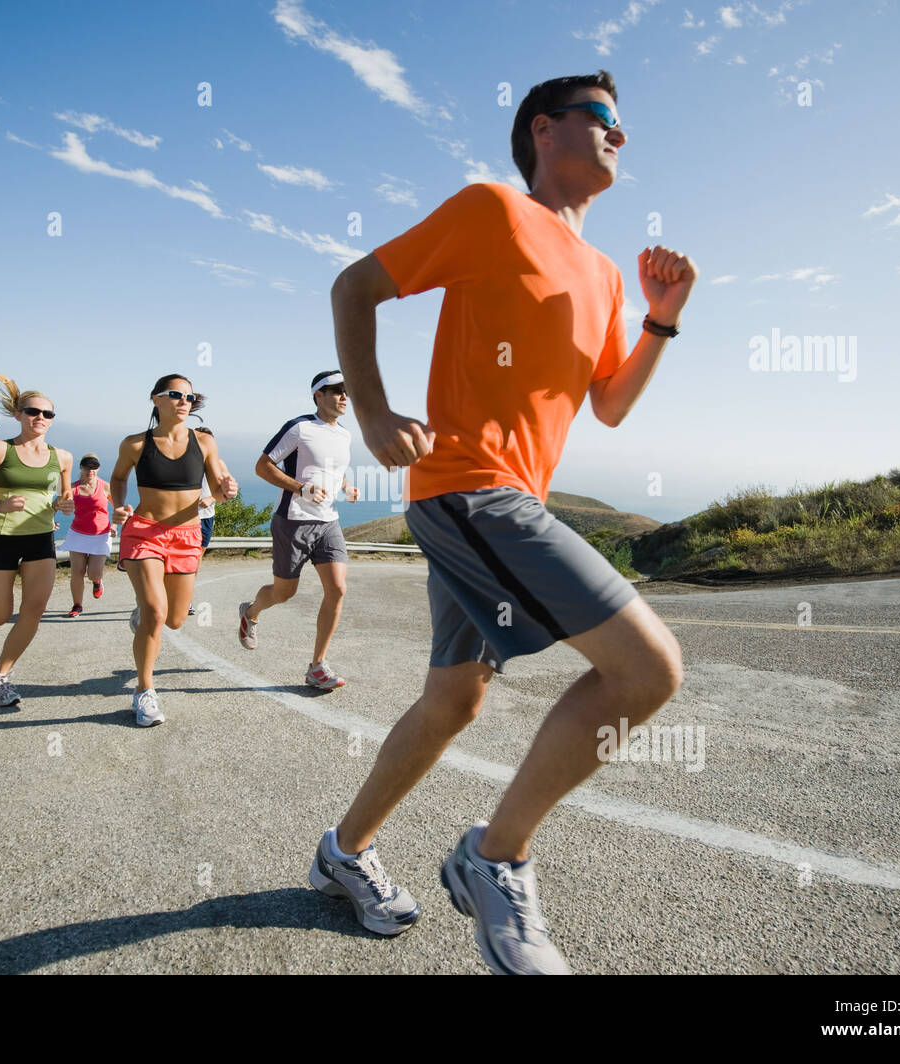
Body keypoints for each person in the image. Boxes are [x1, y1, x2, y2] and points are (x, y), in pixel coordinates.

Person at [309, 72, 695, 974]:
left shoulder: (602, 273)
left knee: (455, 697)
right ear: (544, 128)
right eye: (605, 119)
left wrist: (661, 324)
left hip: (509, 498)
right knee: (646, 670)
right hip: (470, 491)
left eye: (622, 125)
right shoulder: (493, 210)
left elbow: (608, 407)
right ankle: (495, 858)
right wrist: (369, 412)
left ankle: (344, 850)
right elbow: (354, 286)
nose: (620, 137)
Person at [109, 375, 237, 726]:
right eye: (175, 395)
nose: (184, 401)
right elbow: (118, 479)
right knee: (155, 611)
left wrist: (228, 489)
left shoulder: (205, 441)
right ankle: (144, 691)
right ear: (156, 400)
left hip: (186, 536)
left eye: (189, 396)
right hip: (144, 533)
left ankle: (145, 614)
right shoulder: (135, 444)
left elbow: (218, 490)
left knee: (176, 620)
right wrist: (118, 506)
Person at [238, 371, 359, 690]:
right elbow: (262, 467)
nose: (344, 396)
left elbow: (333, 470)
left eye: (347, 391)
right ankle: (251, 612)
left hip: (328, 522)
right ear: (318, 395)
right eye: (336, 391)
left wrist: (347, 486)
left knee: (338, 589)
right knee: (284, 593)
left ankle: (317, 666)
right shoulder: (299, 428)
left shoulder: (345, 435)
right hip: (292, 520)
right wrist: (299, 488)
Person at [0, 373, 73, 707]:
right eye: (32, 412)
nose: (40, 418)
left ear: (52, 420)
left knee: (33, 611)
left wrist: (63, 505)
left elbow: (63, 498)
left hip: (40, 539)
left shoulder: (62, 457)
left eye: (47, 414)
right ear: (18, 415)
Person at [63, 453, 113, 617]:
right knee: (77, 572)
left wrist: (116, 525)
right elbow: (59, 505)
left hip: (101, 534)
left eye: (94, 466)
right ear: (81, 467)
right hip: (78, 533)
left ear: (98, 468)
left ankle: (97, 581)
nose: (90, 469)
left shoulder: (105, 486)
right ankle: (77, 606)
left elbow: (119, 507)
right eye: (87, 465)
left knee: (93, 573)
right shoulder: (72, 488)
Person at [190, 426, 217, 617]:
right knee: (185, 562)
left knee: (196, 563)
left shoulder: (216, 463)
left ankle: (185, 598)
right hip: (186, 520)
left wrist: (211, 498)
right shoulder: (186, 462)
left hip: (207, 517)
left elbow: (222, 489)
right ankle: (182, 600)